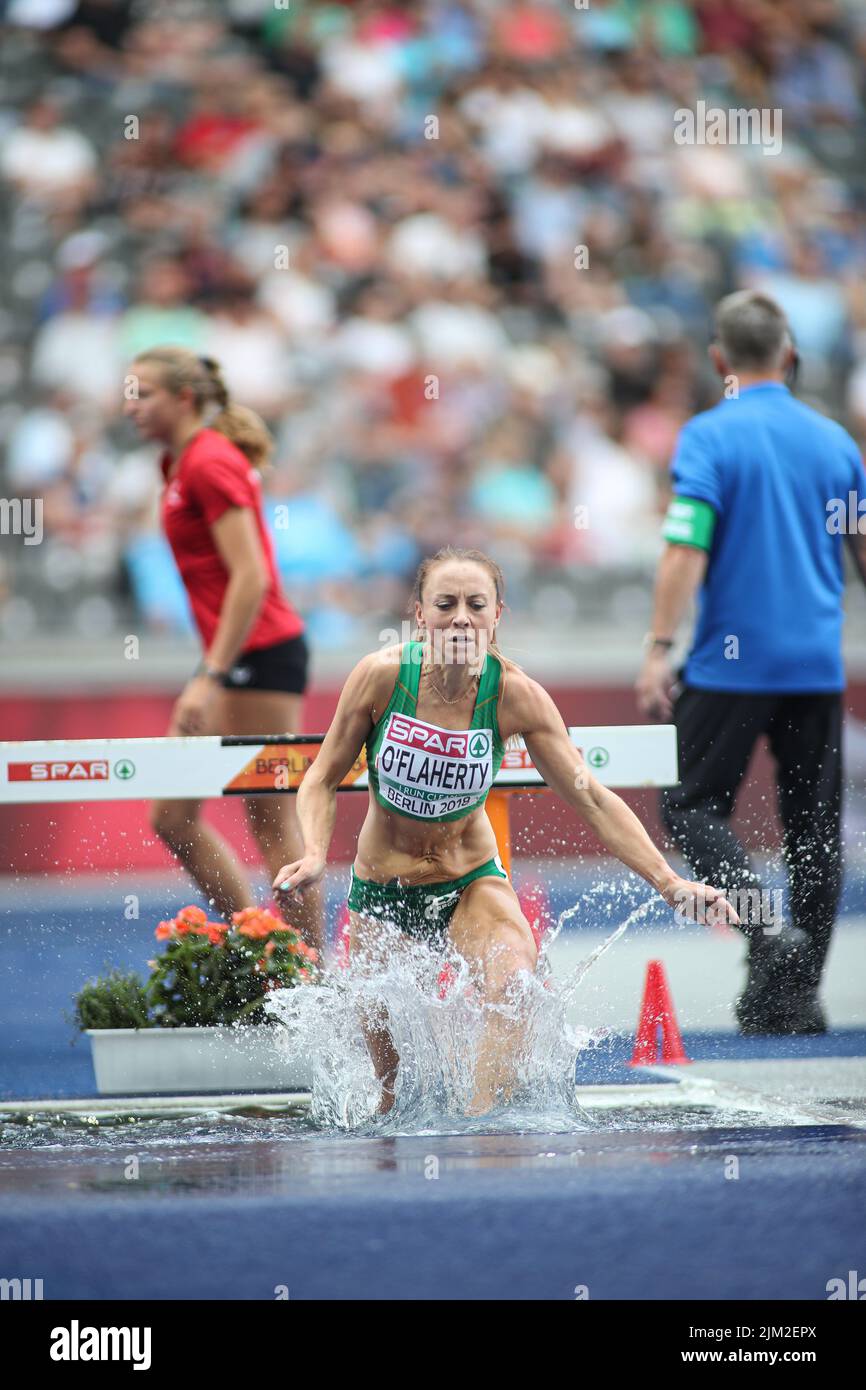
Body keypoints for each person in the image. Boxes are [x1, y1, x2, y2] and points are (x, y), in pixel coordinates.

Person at [273, 546, 738, 1117]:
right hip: (382, 886)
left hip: (468, 879)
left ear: (497, 617)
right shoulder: (380, 678)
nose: (461, 618)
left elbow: (590, 798)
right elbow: (319, 779)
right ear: (420, 614)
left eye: (476, 605)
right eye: (445, 604)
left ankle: (480, 1115)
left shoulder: (516, 695)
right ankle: (394, 1123)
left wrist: (670, 884)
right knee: (389, 1088)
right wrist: (317, 853)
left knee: (514, 979)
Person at [636, 290, 866, 1034]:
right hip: (814, 669)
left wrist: (660, 647)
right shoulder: (837, 444)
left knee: (690, 805)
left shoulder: (708, 436)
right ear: (791, 356)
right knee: (814, 831)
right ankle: (792, 1000)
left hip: (730, 666)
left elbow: (683, 548)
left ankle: (767, 931)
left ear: (718, 360)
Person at [123, 345, 322, 954]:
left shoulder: (209, 461)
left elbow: (252, 576)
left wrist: (210, 674)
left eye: (142, 393)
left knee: (269, 815)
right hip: (230, 657)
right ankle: (266, 949)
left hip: (258, 654)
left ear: (184, 398)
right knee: (172, 818)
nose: (129, 405)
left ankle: (310, 974)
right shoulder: (176, 463)